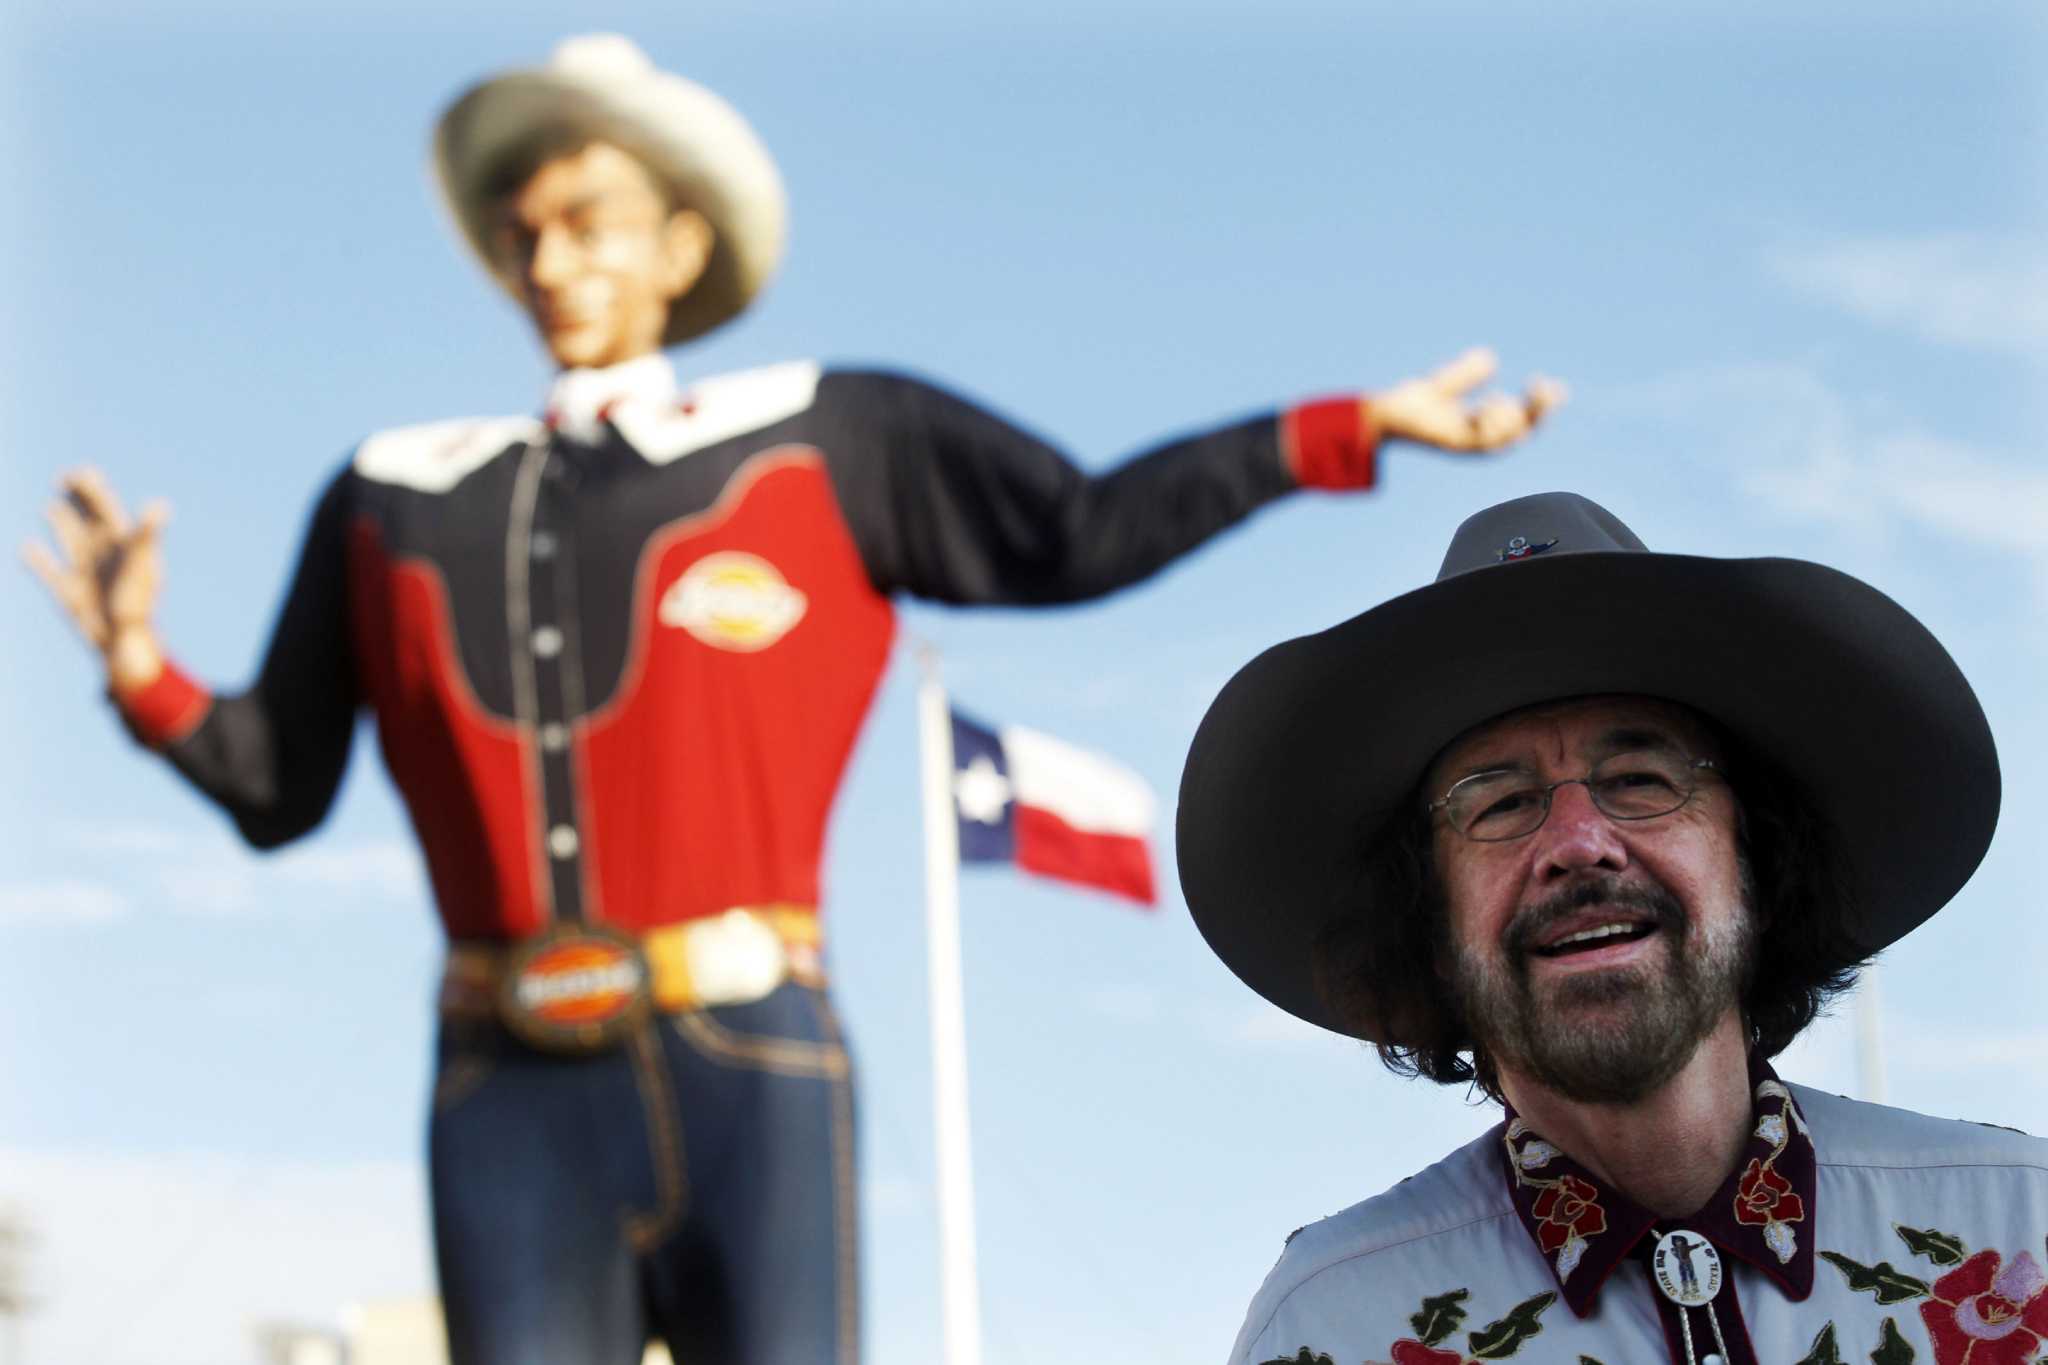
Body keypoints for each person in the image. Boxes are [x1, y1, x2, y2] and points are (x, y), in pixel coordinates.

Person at [20, 33, 1564, 1365]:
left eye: (590, 222)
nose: (551, 260)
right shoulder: (387, 496)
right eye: (524, 231)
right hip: (501, 1085)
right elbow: (281, 788)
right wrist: (139, 668)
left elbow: (1078, 528)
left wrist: (1339, 429)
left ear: (681, 248)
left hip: (748, 1052)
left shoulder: (829, 438)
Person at [1177, 491, 2047, 1365]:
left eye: (1638, 779)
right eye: (1502, 803)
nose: (1580, 844)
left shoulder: (2023, 1226)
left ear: (1755, 863)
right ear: (1433, 931)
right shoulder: (1332, 1326)